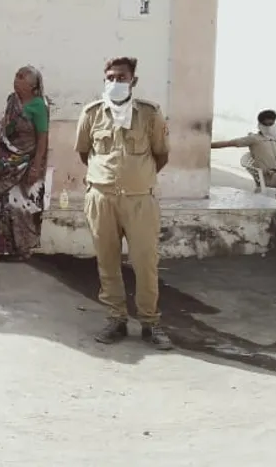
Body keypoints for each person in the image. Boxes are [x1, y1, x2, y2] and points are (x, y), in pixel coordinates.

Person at [75, 57, 173, 350]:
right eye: (110, 77)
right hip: (101, 198)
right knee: (107, 261)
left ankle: (150, 322)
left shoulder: (150, 114)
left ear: (133, 81)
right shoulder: (91, 114)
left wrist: (136, 179)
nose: (115, 82)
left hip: (140, 200)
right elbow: (84, 152)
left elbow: (161, 154)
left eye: (121, 77)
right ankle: (116, 318)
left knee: (145, 262)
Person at [0, 66, 51, 261]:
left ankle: (23, 248)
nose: (16, 80)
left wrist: (36, 166)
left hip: (26, 164)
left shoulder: (38, 106)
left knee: (23, 206)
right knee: (5, 204)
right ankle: (4, 247)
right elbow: (5, 126)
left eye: (21, 77)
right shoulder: (12, 100)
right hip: (7, 164)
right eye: (16, 75)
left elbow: (42, 138)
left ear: (32, 85)